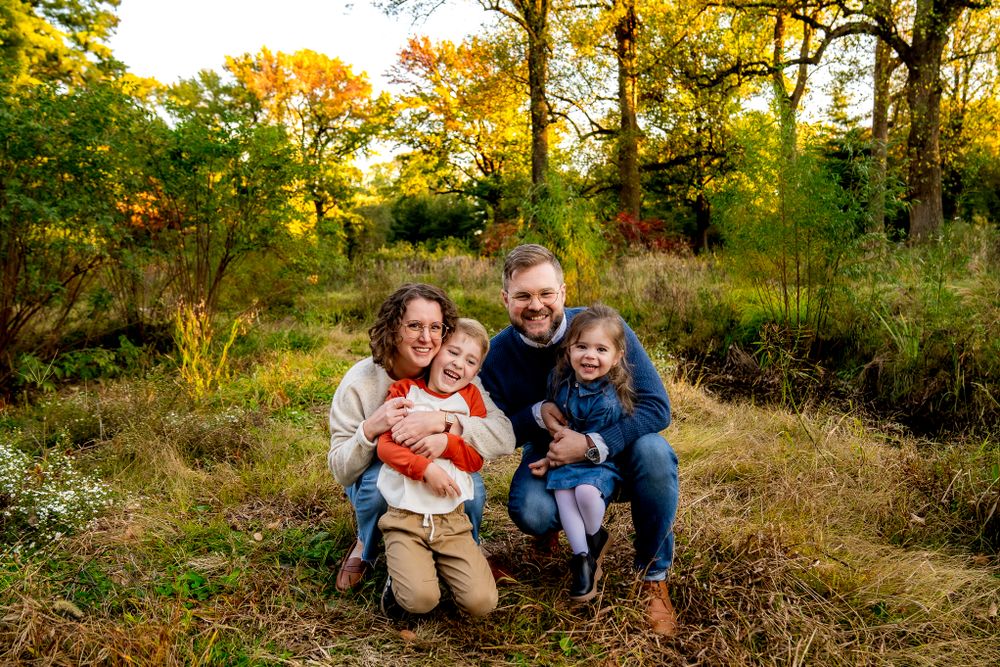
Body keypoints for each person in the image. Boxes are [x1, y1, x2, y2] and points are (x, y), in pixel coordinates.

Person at [479, 244, 680, 636]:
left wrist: (591, 444)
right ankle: (571, 536)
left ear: (563, 293)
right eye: (522, 296)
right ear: (506, 299)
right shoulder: (498, 356)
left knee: (656, 453)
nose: (535, 305)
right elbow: (497, 432)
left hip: (620, 448)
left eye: (545, 293)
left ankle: (653, 574)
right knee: (530, 510)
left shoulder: (601, 329)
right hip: (552, 452)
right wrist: (536, 414)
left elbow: (658, 407)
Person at [328, 283, 514, 594]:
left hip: (439, 468)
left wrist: (446, 423)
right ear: (393, 329)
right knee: (375, 488)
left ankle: (469, 547)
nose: (426, 338)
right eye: (414, 326)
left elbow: (503, 435)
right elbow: (341, 469)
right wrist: (370, 430)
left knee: (475, 488)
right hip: (379, 472)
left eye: (435, 328)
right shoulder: (360, 383)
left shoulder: (454, 373)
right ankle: (366, 543)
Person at [376, 318, 498, 619]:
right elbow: (386, 447)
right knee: (421, 600)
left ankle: (437, 568)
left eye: (470, 361)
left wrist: (447, 442)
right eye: (453, 352)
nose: (459, 364)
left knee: (482, 603)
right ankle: (401, 578)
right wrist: (425, 470)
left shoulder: (470, 400)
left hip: (453, 522)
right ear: (436, 351)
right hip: (405, 517)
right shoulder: (405, 391)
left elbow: (475, 459)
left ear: (477, 372)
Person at [528, 304, 630, 603]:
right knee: (563, 495)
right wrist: (551, 458)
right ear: (568, 350)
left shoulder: (608, 401)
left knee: (584, 493)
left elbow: (592, 445)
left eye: (601, 349)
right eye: (582, 346)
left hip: (598, 460)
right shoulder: (559, 381)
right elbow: (560, 428)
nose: (590, 356)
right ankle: (583, 559)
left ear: (616, 358)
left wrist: (557, 456)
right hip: (564, 458)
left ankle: (596, 534)